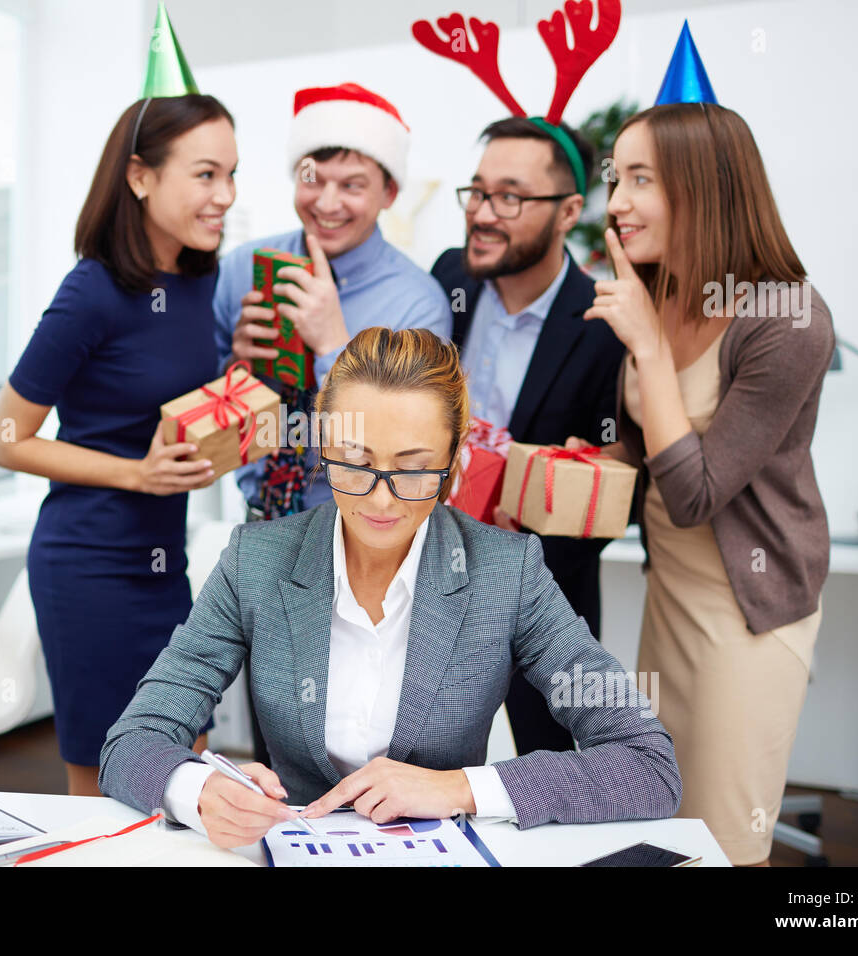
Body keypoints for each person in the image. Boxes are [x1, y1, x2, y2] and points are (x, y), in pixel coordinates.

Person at [100, 327, 681, 848]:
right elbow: (132, 741)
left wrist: (458, 789)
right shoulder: (257, 560)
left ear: (455, 460)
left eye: (412, 468)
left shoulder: (509, 571)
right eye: (354, 462)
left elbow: (648, 765)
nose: (380, 499)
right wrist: (195, 788)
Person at [578, 102, 834, 865]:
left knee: (724, 845)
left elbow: (695, 491)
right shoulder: (660, 292)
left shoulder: (787, 319)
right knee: (665, 827)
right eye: (614, 178)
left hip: (745, 621)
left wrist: (650, 349)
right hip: (673, 599)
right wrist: (592, 462)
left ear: (705, 188)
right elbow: (648, 443)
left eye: (639, 180)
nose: (615, 202)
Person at [0, 93, 237, 796]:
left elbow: (181, 403)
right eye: (206, 174)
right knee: (103, 793)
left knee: (185, 778)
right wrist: (137, 475)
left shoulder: (198, 280)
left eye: (231, 175)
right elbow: (6, 439)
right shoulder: (91, 292)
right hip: (89, 568)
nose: (226, 196)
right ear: (139, 176)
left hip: (164, 566)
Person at [430, 116, 625, 758]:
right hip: (430, 587)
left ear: (569, 211)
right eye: (477, 192)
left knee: (549, 781)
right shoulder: (449, 281)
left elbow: (613, 483)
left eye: (510, 197)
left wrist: (551, 503)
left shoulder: (604, 321)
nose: (483, 213)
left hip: (541, 600)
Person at [214, 82, 452, 522]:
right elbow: (195, 408)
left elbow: (405, 444)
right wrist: (236, 365)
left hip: (357, 527)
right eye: (312, 180)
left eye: (352, 186)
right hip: (256, 519)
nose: (327, 202)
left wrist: (332, 346)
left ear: (390, 194)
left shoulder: (419, 304)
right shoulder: (240, 268)